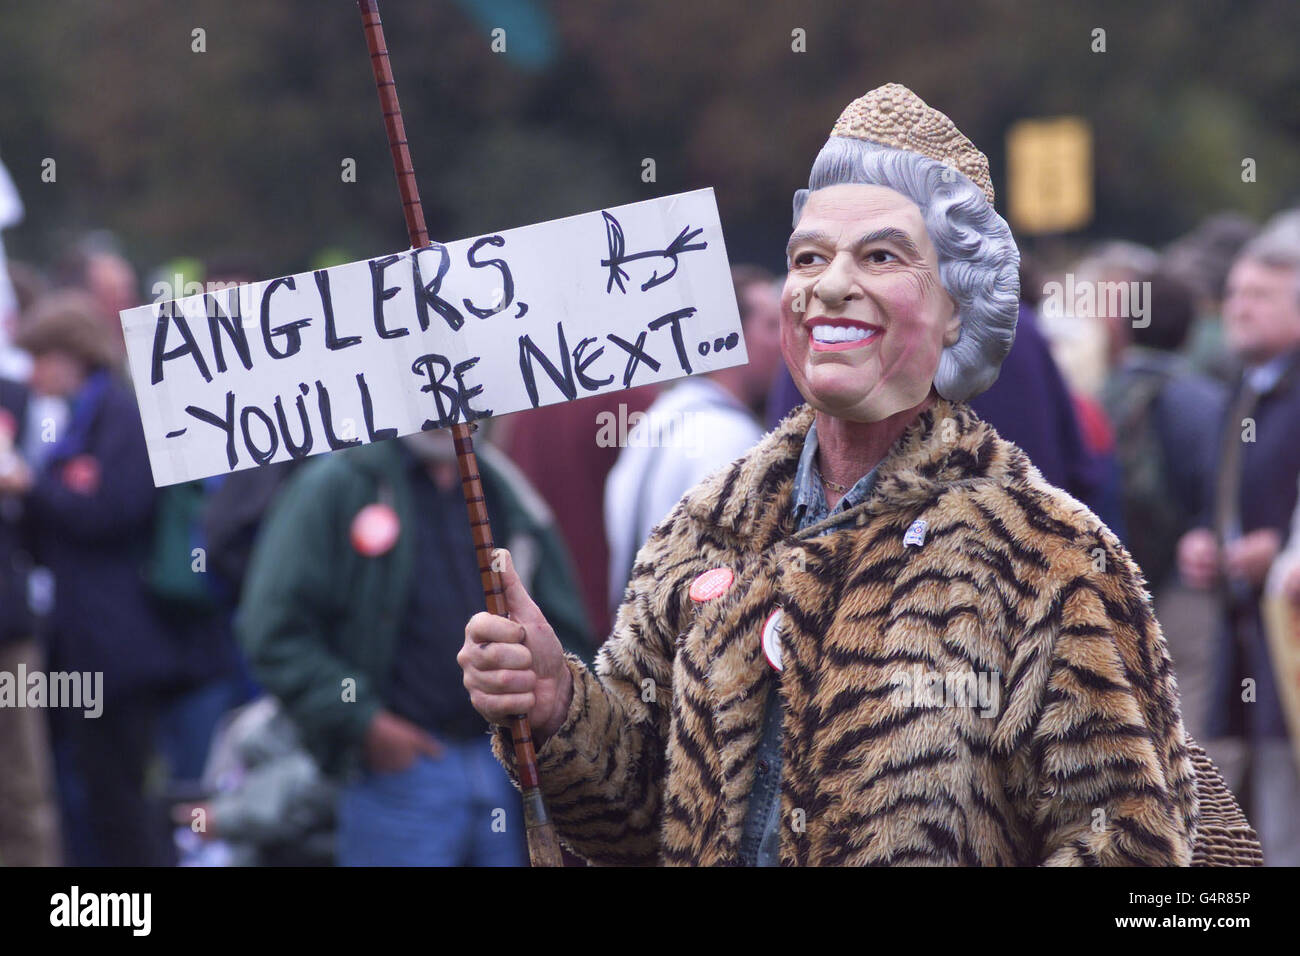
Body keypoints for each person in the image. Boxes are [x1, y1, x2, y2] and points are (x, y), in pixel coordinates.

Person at [461, 84, 1258, 866]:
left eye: (880, 255)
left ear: (957, 307)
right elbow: (639, 817)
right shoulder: (707, 526)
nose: (830, 284)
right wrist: (557, 701)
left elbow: (1128, 846)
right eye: (809, 257)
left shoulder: (1051, 560)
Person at [237, 427, 591, 866]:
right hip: (395, 778)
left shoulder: (505, 489)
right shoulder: (337, 486)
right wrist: (365, 723)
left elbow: (568, 634)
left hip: (503, 772)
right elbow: (273, 632)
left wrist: (546, 718)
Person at [12, 291, 180, 866]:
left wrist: (31, 486)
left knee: (123, 793)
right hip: (80, 641)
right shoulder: (73, 419)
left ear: (72, 355)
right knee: (93, 791)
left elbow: (113, 510)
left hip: (118, 645)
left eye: (42, 357)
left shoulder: (121, 417)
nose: (33, 373)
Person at [1176, 228, 1300, 866]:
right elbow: (1227, 497)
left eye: (1258, 295)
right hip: (1248, 632)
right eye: (1233, 293)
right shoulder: (1245, 387)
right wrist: (1204, 538)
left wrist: (1278, 550)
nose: (1238, 307)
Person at [604, 264, 783, 612]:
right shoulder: (731, 438)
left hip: (638, 636)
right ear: (730, 336)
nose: (784, 340)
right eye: (771, 326)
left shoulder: (659, 415)